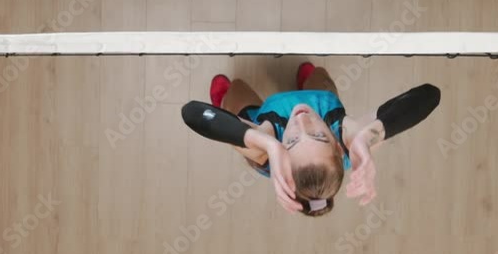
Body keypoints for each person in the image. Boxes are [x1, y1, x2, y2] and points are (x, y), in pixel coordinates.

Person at [181, 63, 441, 216]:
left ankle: (227, 103)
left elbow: (192, 112)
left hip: (260, 116)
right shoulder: (351, 140)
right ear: (339, 147)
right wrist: (366, 138)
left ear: (282, 151)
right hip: (321, 97)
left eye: (292, 141)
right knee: (320, 77)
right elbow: (429, 95)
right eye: (319, 135)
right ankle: (307, 81)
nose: (302, 121)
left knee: (235, 89)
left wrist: (270, 145)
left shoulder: (266, 149)